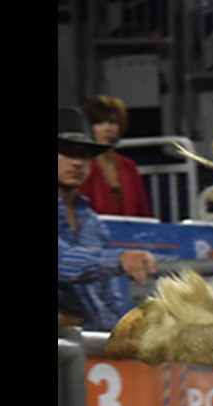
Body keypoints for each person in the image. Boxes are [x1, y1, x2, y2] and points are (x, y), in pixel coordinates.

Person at [59, 107, 155, 333]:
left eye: (84, 155)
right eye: (67, 152)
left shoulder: (92, 222)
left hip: (87, 344)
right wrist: (119, 259)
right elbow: (62, 261)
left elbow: (108, 296)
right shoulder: (92, 222)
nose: (77, 163)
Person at [81, 96, 153, 218]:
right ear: (89, 128)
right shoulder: (83, 165)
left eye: (112, 122)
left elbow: (143, 212)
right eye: (99, 123)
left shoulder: (129, 166)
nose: (107, 128)